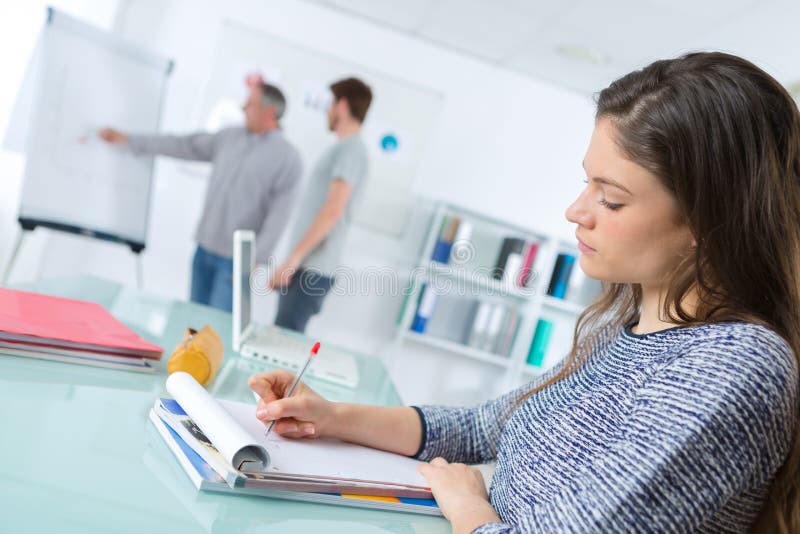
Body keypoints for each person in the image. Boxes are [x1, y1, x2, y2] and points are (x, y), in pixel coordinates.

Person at [248, 52, 800, 533]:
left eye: (610, 198)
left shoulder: (737, 367)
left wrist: (469, 506)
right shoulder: (625, 329)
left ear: (709, 218)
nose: (576, 211)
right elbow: (481, 427)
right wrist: (333, 416)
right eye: (586, 182)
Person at [99, 80, 302, 312]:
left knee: (217, 326)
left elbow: (279, 217)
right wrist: (130, 140)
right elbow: (183, 145)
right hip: (204, 248)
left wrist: (254, 260)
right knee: (193, 319)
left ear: (270, 112)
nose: (243, 108)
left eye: (250, 104)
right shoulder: (229, 137)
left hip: (236, 262)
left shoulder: (288, 159)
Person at [268, 77, 372, 333]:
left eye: (330, 104)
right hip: (308, 267)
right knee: (283, 339)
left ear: (342, 106)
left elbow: (333, 211)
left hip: (311, 269)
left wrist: (293, 260)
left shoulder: (351, 150)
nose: (327, 110)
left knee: (284, 343)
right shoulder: (345, 148)